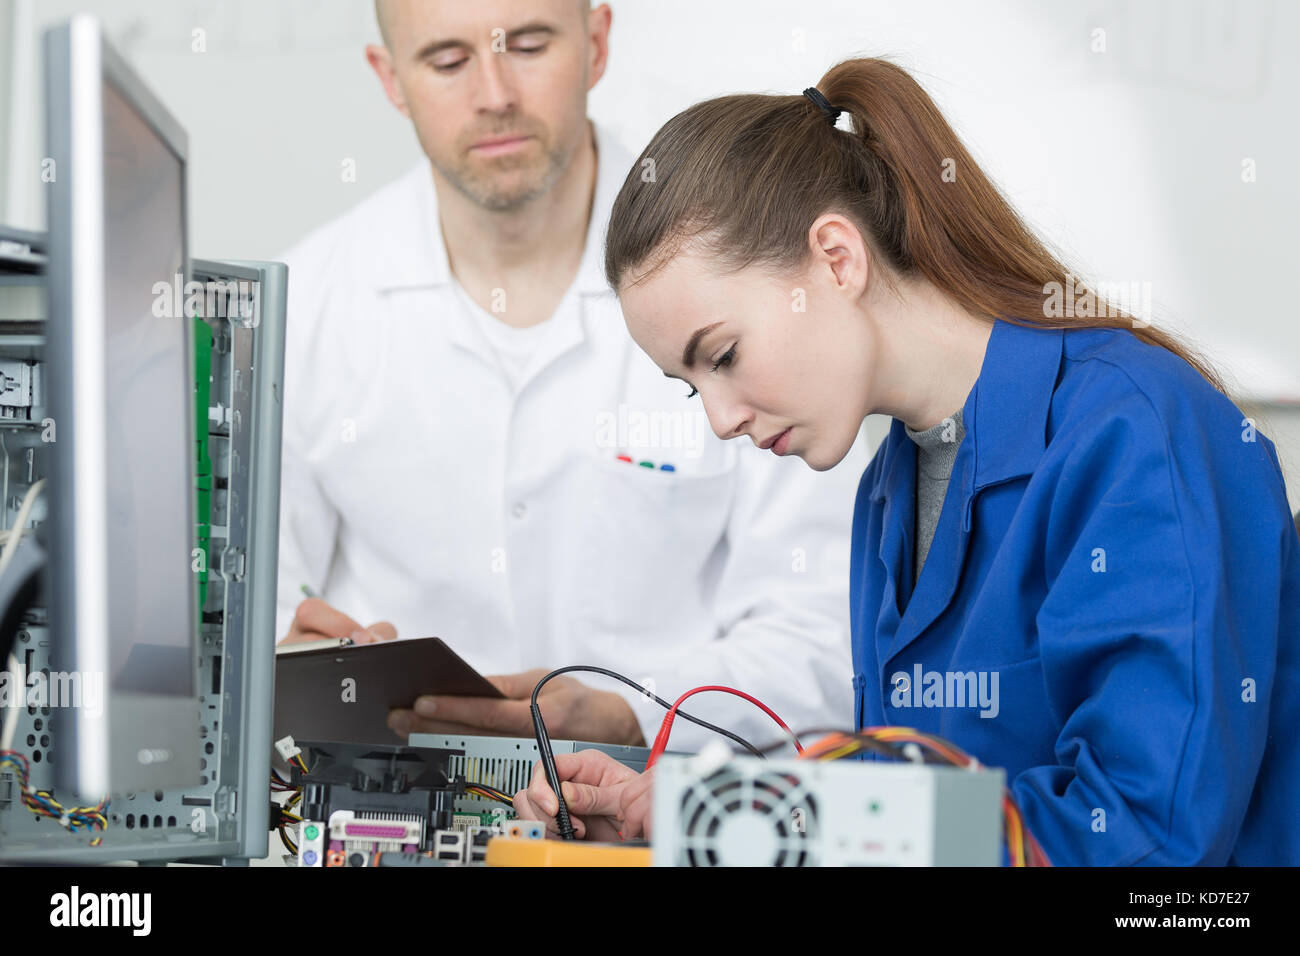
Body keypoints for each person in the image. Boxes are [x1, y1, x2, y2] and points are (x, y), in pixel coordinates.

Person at [514, 56, 1300, 865]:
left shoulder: (1132, 431)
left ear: (835, 257)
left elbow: (1144, 836)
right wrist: (702, 813)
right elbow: (914, 785)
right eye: (690, 388)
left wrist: (797, 821)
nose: (720, 420)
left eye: (722, 355)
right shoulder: (891, 486)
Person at [274, 0, 869, 750]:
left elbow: (824, 625)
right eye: (448, 61)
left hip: (667, 818)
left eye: (527, 45)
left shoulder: (741, 277)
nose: (494, 95)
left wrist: (633, 713)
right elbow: (244, 604)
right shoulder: (306, 302)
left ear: (596, 42)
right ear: (389, 79)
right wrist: (285, 656)